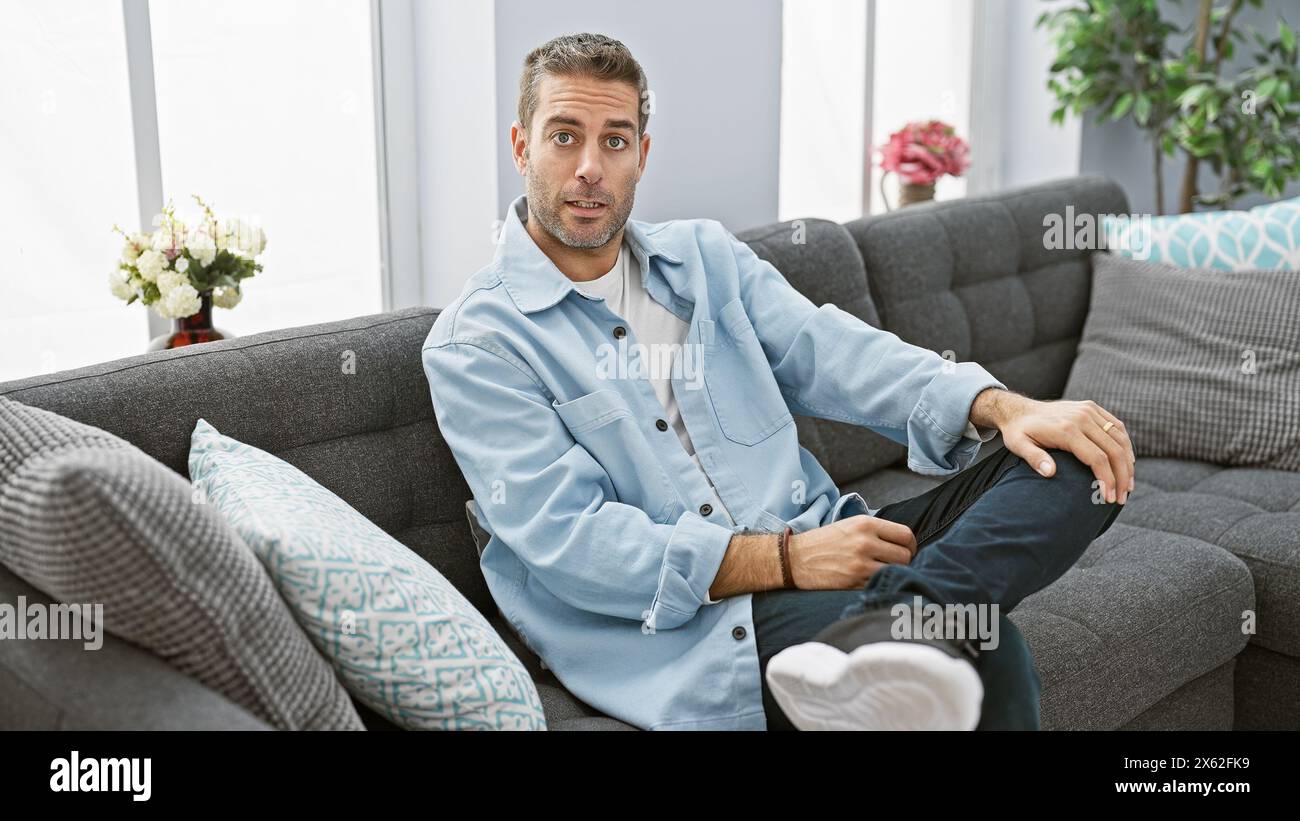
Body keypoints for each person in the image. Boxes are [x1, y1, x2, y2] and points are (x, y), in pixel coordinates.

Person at [422, 32, 1134, 731]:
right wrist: (792, 560)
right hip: (709, 621)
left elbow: (829, 350)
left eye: (614, 140)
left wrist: (1001, 404)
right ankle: (908, 623)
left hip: (831, 543)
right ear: (522, 147)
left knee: (1083, 455)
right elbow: (577, 543)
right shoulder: (477, 344)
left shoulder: (704, 258)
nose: (589, 168)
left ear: (642, 154)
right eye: (564, 136)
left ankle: (901, 614)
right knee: (981, 648)